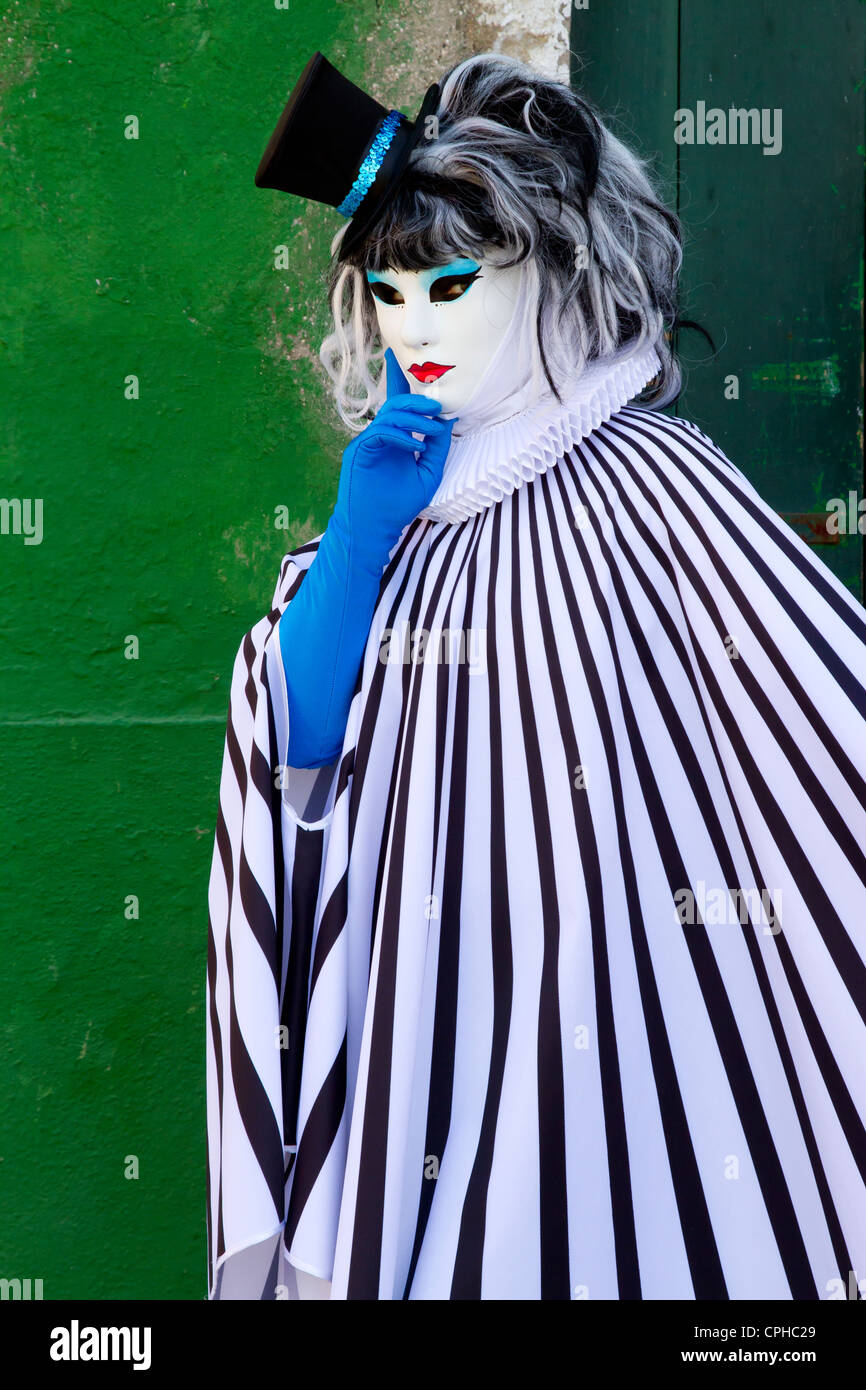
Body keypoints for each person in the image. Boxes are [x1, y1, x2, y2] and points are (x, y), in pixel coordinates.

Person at [206, 50, 866, 1301]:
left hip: (649, 1012)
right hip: (427, 1030)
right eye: (388, 293)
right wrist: (356, 541)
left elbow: (820, 736)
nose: (417, 326)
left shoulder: (664, 485)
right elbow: (290, 752)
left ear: (555, 266)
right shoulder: (387, 513)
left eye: (451, 283)